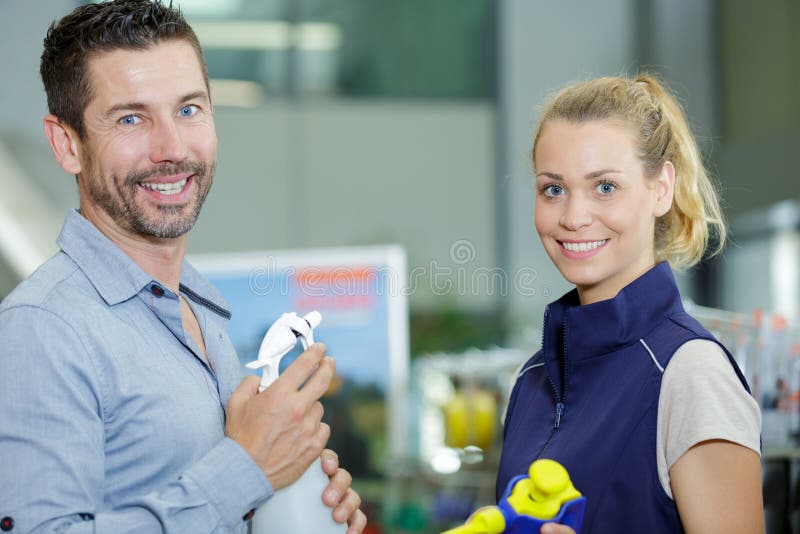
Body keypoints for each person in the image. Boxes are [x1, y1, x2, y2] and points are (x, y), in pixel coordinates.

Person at [0, 1, 367, 532]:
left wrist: (291, 506)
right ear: (67, 144)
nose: (171, 148)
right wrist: (246, 469)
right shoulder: (43, 329)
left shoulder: (201, 317)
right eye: (131, 118)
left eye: (189, 109)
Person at [497, 75, 763, 533]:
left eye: (604, 187)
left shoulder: (690, 373)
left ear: (661, 188)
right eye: (553, 189)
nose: (573, 217)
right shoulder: (533, 379)